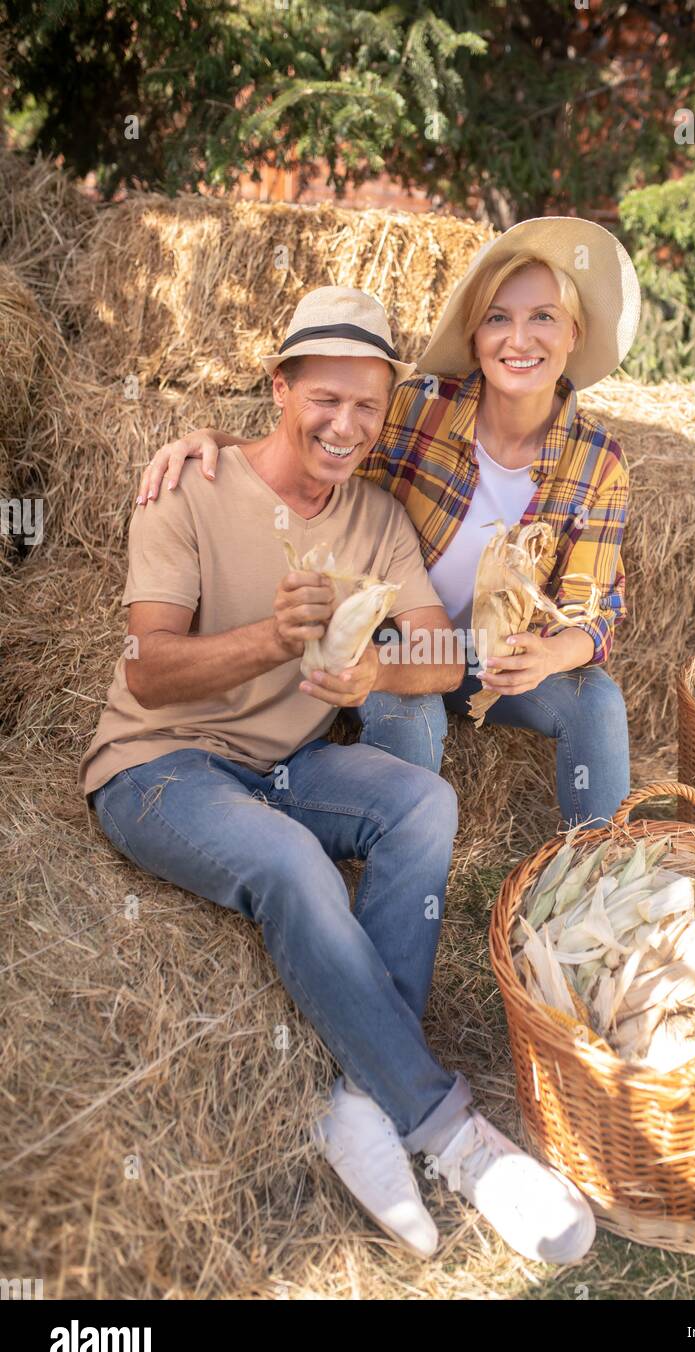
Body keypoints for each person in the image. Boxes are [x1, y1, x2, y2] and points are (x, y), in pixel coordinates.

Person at [79, 287, 596, 1265]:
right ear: (279, 386)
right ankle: (455, 1139)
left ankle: (360, 1102)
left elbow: (445, 658)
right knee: (292, 866)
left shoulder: (370, 517)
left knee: (422, 802)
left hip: (283, 764)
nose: (346, 425)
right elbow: (147, 670)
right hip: (160, 767)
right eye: (325, 398)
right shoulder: (189, 486)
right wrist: (269, 639)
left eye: (368, 405)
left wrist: (374, 671)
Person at [138, 218, 639, 829]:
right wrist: (214, 440)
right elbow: (323, 439)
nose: (519, 339)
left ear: (573, 334)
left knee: (597, 700)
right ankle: (403, 849)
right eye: (498, 318)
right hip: (402, 637)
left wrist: (551, 656)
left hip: (498, 658)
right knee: (413, 709)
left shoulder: (597, 460)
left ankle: (598, 872)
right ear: (476, 334)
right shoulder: (422, 404)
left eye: (543, 317)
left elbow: (595, 607)